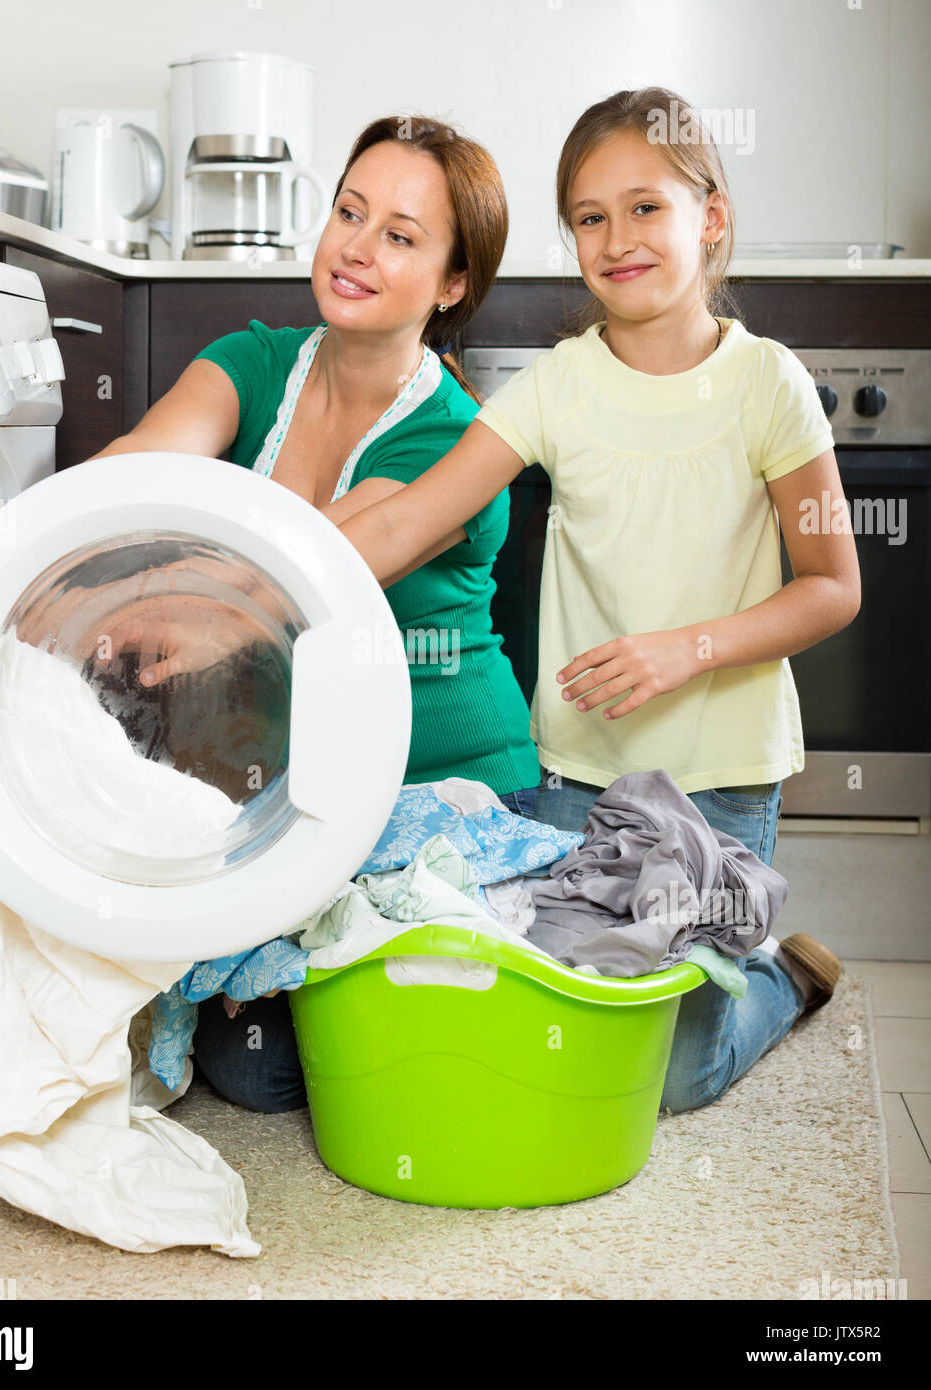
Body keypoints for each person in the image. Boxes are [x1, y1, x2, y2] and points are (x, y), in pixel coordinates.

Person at [336, 88, 862, 1114]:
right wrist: (245, 573)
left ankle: (777, 976)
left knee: (667, 1076)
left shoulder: (767, 384)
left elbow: (830, 586)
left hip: (720, 785)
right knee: (561, 1030)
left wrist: (685, 648)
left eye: (643, 208)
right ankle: (732, 969)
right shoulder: (552, 387)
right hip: (580, 780)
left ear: (707, 217)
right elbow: (403, 524)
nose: (615, 239)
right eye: (587, 217)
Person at [87, 115, 540, 1111]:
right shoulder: (247, 364)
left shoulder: (446, 443)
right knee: (252, 1060)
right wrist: (27, 544)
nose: (356, 248)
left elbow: (287, 585)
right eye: (348, 212)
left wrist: (148, 613)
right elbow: (132, 477)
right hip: (293, 795)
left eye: (400, 235)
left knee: (313, 1067)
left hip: (439, 790)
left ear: (451, 284)